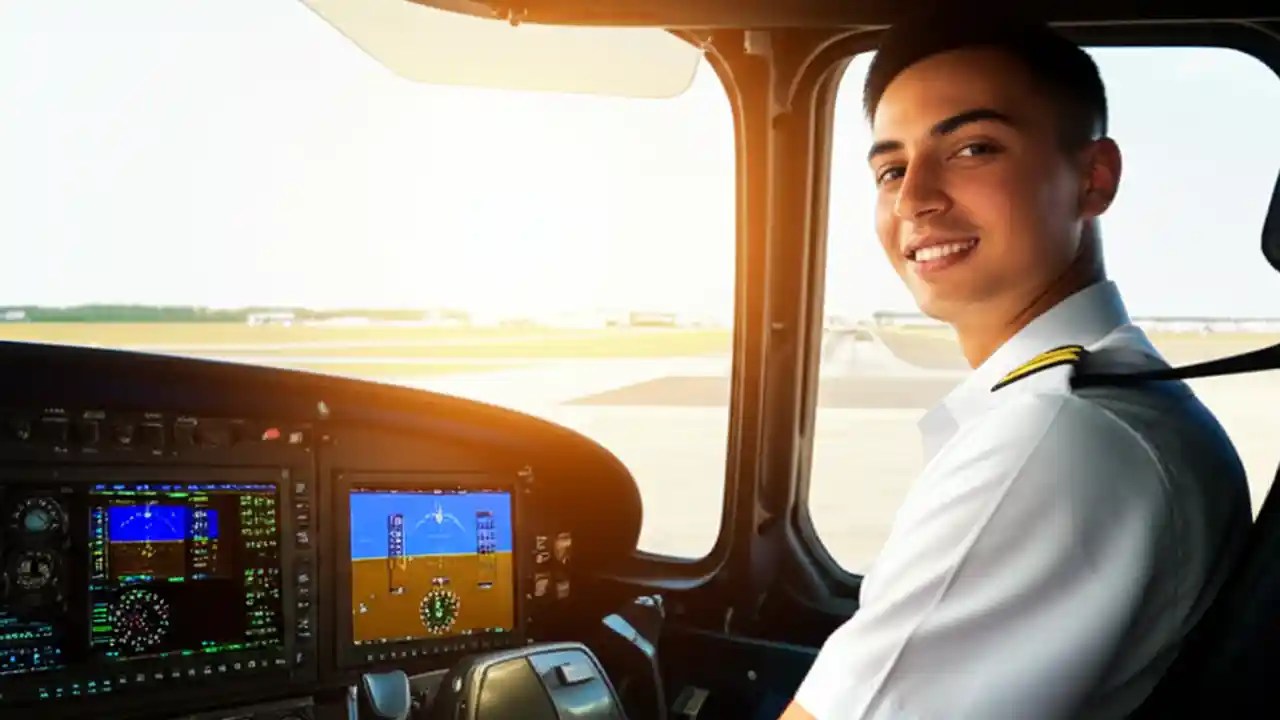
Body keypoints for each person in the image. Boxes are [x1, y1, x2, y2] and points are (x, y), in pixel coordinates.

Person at [781, 10, 1252, 720]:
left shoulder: (1050, 437)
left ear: (1094, 179)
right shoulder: (1109, 393)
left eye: (972, 149)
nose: (914, 200)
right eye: (891, 169)